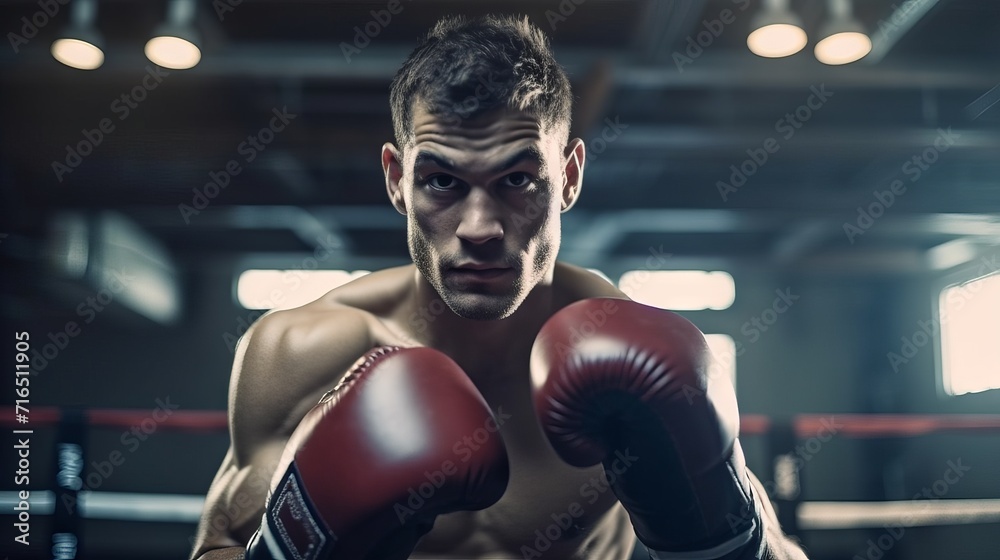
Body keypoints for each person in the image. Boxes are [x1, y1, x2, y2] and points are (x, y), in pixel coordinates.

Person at [190, 14, 809, 560]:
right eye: (441, 181)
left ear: (568, 177)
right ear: (395, 179)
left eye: (516, 180)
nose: (479, 228)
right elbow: (216, 547)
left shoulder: (640, 356)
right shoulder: (302, 353)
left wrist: (723, 541)